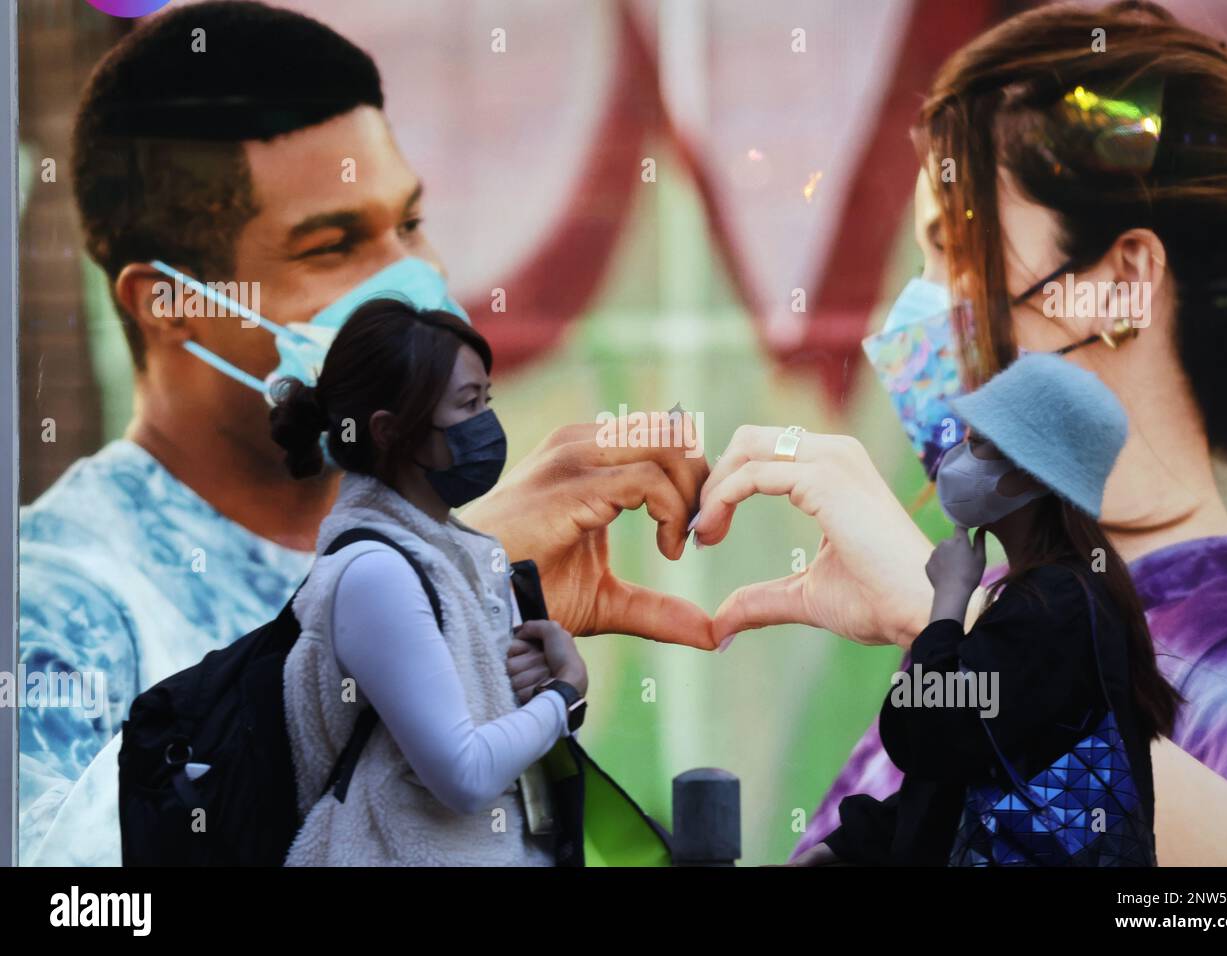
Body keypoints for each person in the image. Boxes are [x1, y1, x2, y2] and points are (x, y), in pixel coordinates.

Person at [20, 1, 710, 866]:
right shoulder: (55, 601)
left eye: (410, 224)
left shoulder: (454, 542)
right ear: (171, 305)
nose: (413, 284)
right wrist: (417, 583)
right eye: (334, 245)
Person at [692, 0, 1227, 860]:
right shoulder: (1025, 616)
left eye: (957, 248)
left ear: (1121, 282)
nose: (917, 313)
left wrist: (934, 612)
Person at [807, 354, 1178, 865]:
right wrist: (846, 847)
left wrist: (948, 605)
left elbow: (928, 732)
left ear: (1029, 476)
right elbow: (963, 775)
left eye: (976, 444)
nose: (956, 460)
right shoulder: (1062, 597)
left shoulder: (1056, 608)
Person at [269, 299, 583, 866]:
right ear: (391, 431)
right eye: (467, 405)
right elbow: (465, 775)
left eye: (488, 400)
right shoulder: (375, 574)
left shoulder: (464, 558)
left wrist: (545, 681)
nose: (488, 425)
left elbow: (511, 749)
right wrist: (564, 695)